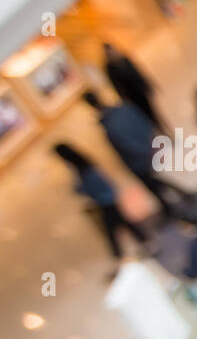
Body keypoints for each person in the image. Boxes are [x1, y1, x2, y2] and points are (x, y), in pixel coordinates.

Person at [82, 90, 181, 221]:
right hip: (146, 152)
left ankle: (176, 200)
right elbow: (144, 124)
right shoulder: (123, 109)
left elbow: (126, 146)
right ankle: (173, 201)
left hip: (138, 160)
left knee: (153, 185)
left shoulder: (110, 125)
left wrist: (143, 152)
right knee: (154, 183)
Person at [54, 143, 151, 263]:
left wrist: (81, 189)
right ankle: (138, 243)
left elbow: (84, 188)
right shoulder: (85, 166)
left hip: (106, 201)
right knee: (120, 223)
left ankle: (121, 254)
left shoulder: (84, 171)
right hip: (107, 199)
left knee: (112, 228)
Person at [103, 44, 162, 131]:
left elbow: (138, 72)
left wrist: (150, 84)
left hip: (141, 90)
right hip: (132, 96)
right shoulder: (110, 68)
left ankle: (161, 128)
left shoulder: (124, 59)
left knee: (153, 112)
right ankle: (156, 130)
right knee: (144, 116)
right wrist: (125, 100)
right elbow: (116, 86)